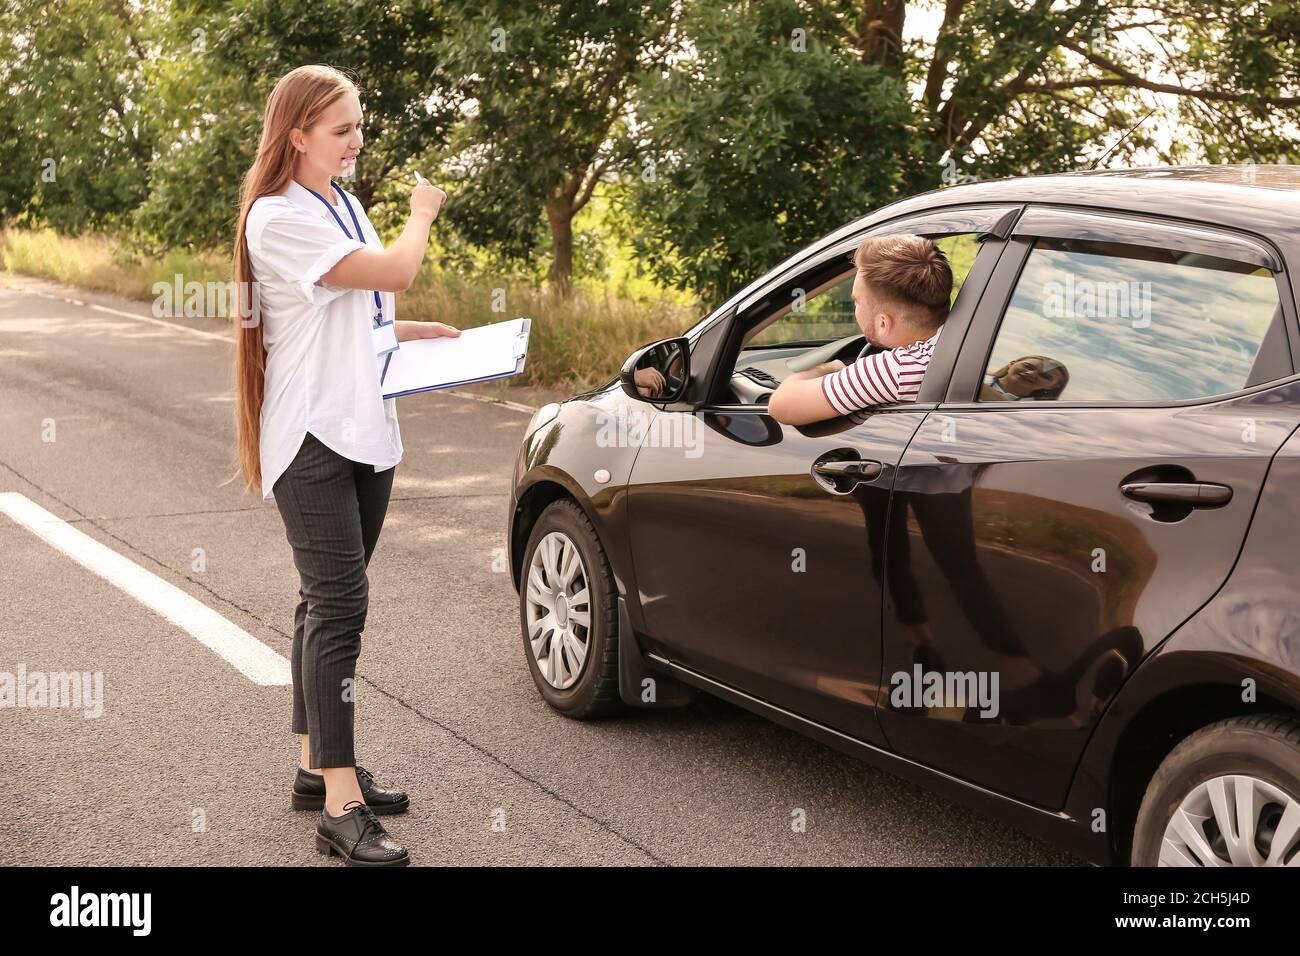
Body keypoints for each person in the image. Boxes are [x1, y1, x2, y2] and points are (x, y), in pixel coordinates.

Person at [231, 64, 459, 866]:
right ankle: (341, 804)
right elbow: (394, 268)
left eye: (360, 124)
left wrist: (409, 330)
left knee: (321, 604)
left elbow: (356, 310)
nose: (358, 139)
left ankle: (311, 767)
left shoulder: (343, 202)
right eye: (342, 128)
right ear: (297, 134)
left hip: (367, 430)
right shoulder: (277, 217)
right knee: (340, 609)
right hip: (315, 437)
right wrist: (422, 215)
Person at [768, 234, 952, 425]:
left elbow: (781, 405)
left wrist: (833, 368)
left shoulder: (899, 370)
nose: (855, 306)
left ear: (883, 323)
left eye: (856, 301)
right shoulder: (962, 344)